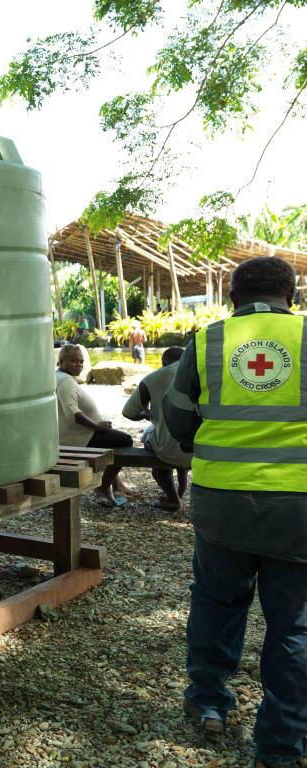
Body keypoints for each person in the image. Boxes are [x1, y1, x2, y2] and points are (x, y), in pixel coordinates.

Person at [163, 256, 307, 768]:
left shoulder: (208, 341)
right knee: (294, 626)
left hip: (221, 503)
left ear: (232, 297)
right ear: (292, 296)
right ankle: (281, 746)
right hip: (299, 508)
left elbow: (178, 419)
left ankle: (208, 705)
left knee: (216, 603)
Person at [55, 343, 134, 506]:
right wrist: (98, 427)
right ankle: (103, 487)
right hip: (80, 438)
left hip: (81, 434)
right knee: (126, 440)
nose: (79, 365)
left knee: (114, 441)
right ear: (61, 361)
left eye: (81, 362)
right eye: (74, 361)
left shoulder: (61, 377)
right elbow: (73, 414)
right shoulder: (65, 382)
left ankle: (117, 484)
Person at [122, 346, 192, 510]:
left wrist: (146, 415)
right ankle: (181, 489)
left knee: (151, 440)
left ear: (163, 363)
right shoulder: (199, 375)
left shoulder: (152, 378)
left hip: (167, 450)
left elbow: (128, 413)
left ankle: (173, 498)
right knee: (179, 436)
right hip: (195, 449)